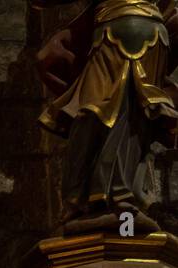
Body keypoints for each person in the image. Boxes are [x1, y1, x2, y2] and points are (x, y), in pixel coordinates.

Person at [34, 0, 178, 232]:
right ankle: (76, 198)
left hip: (152, 36)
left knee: (137, 114)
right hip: (109, 35)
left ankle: (122, 193)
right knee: (90, 113)